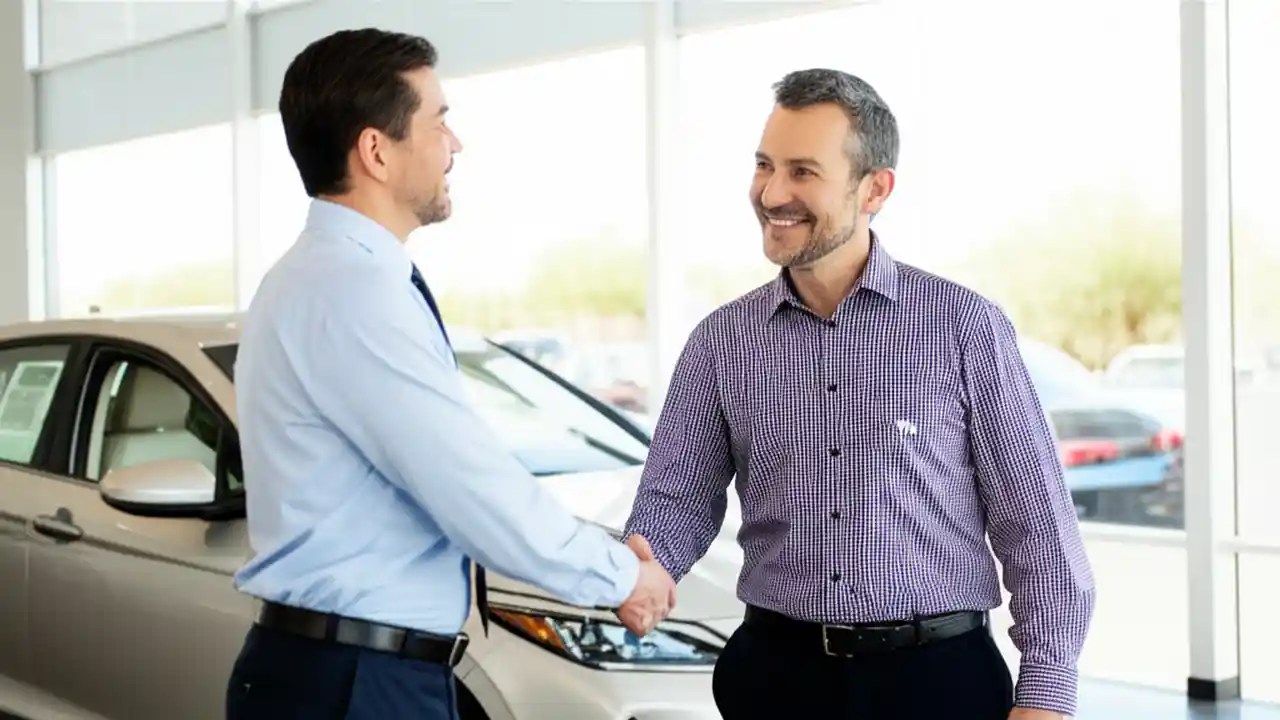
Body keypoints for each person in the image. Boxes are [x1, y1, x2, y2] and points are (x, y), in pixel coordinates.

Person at [224, 28, 674, 720]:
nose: (454, 144)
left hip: (342, 671)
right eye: (439, 121)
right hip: (356, 686)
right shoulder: (352, 291)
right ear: (376, 151)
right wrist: (620, 576)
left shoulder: (319, 278)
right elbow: (468, 484)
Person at [623, 68, 1096, 720]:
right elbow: (675, 501)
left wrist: (1046, 692)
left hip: (939, 685)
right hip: (775, 682)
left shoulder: (963, 327)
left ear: (875, 188)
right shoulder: (720, 342)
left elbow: (1037, 527)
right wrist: (645, 566)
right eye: (764, 166)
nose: (772, 193)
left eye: (803, 171)